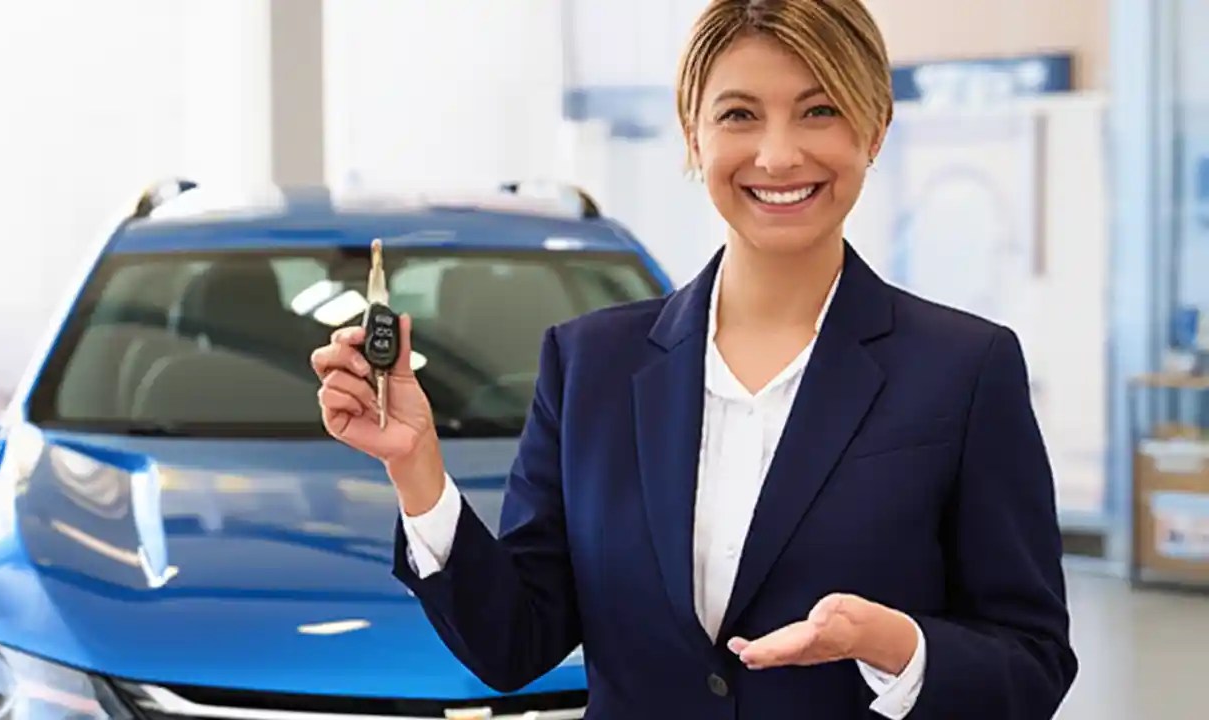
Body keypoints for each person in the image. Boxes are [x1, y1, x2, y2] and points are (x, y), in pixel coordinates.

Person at [310, 0, 1078, 716]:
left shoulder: (964, 370)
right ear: (693, 134)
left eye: (820, 110)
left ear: (874, 128)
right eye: (739, 115)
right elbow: (515, 645)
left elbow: (1032, 662)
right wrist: (417, 471)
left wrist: (894, 648)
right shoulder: (591, 367)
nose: (778, 155)